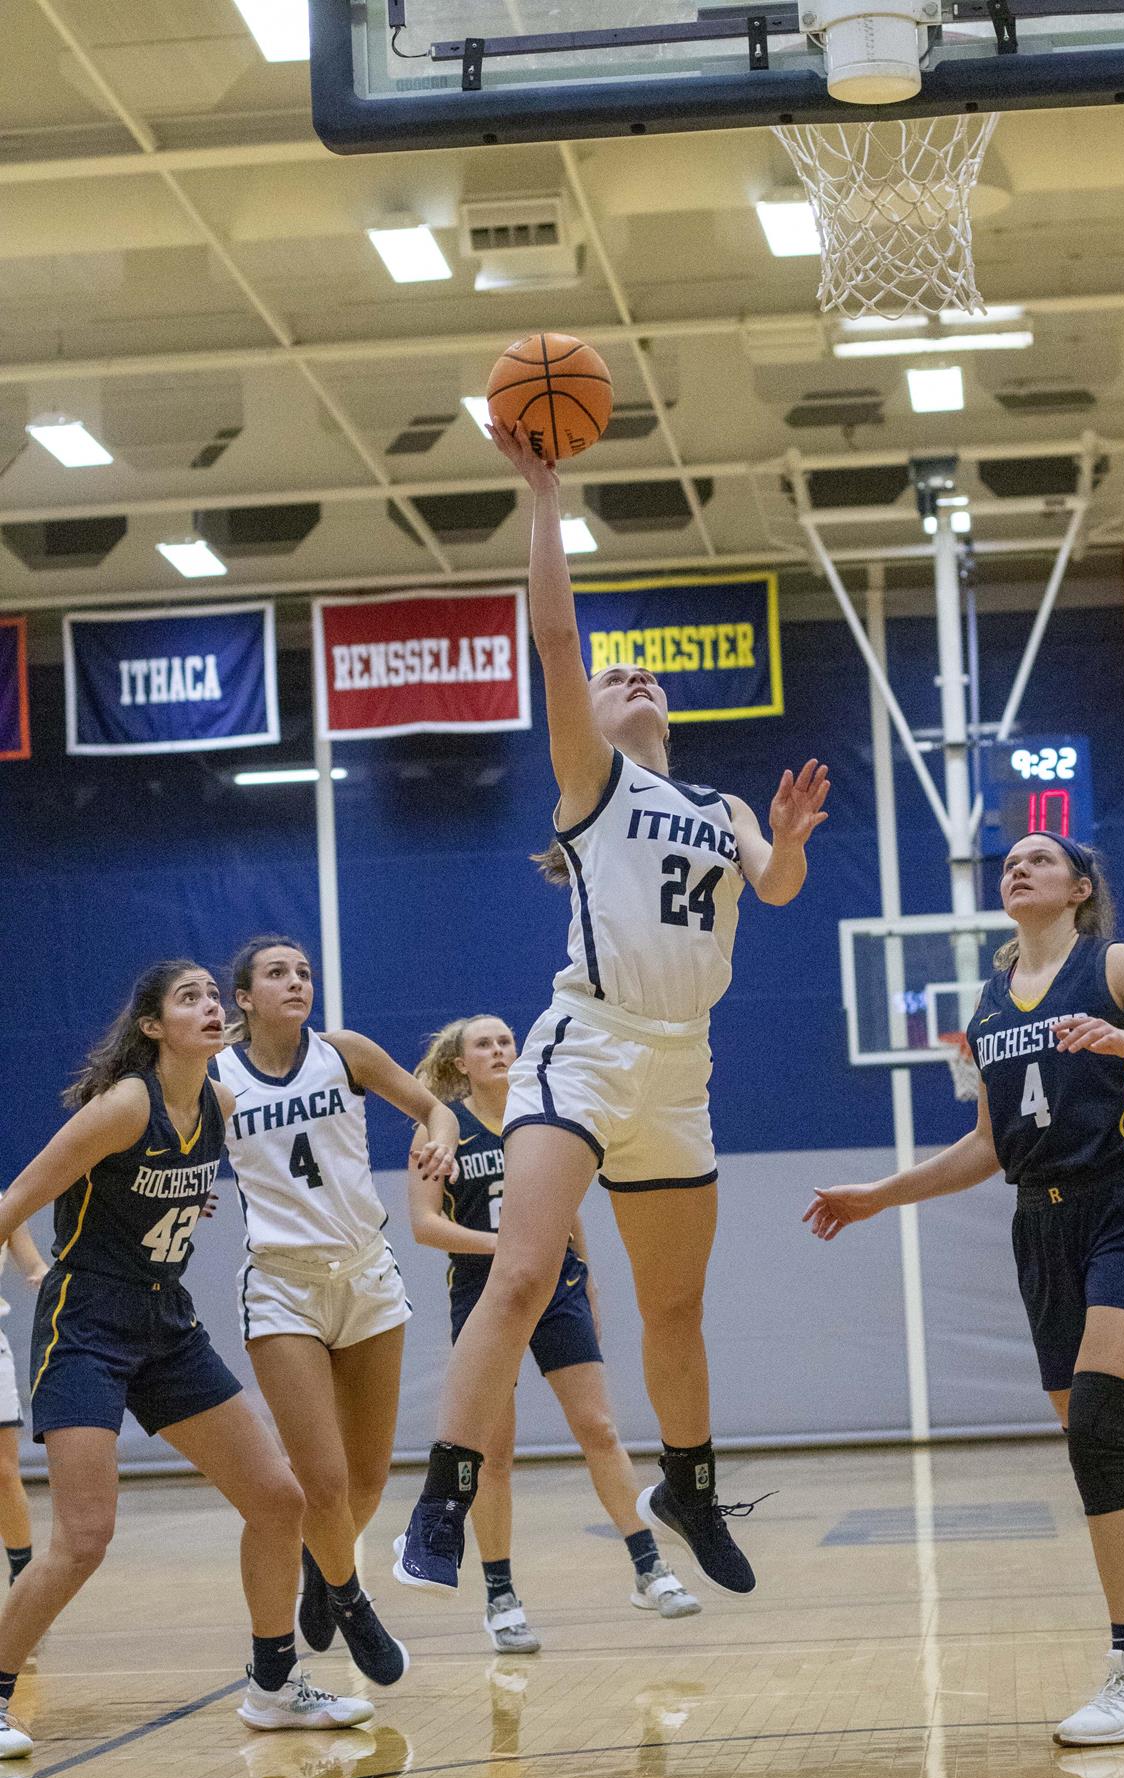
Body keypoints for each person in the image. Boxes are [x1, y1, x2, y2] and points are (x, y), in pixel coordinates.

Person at [395, 418, 829, 1599]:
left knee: (675, 1304)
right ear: (586, 713)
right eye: (611, 675)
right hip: (585, 1048)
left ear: (671, 713)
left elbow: (776, 889)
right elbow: (555, 634)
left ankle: (687, 1484)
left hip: (680, 1066)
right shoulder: (592, 778)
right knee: (523, 1272)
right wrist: (545, 499)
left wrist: (787, 841)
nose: (631, 677)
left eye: (647, 676)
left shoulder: (723, 804)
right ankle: (441, 1496)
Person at [805, 832, 1124, 1748]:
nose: (1018, 868)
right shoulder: (989, 1004)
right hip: (1040, 1228)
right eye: (1010, 863)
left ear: (1078, 887)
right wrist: (877, 1195)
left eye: (1039, 859)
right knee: (1103, 1448)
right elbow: (987, 1147)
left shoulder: (1113, 964)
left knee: (1099, 1433)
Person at [0, 960, 376, 1760]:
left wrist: (181, 1196)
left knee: (278, 1499)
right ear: (152, 1027)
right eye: (189, 998)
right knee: (84, 1537)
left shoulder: (219, 1102)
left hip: (166, 1322)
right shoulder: (123, 1105)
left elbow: (167, 1184)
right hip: (87, 1322)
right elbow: (14, 1203)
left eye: (212, 994)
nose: (209, 1007)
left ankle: (273, 1685)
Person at [406, 1013, 702, 1649]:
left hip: (559, 1286)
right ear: (460, 1063)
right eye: (484, 1044)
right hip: (484, 1292)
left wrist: (586, 1278)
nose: (499, 1050)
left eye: (506, 1041)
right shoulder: (440, 1130)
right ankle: (500, 1595)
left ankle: (649, 1568)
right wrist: (512, 1246)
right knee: (494, 1453)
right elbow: (425, 1225)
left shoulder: (537, 1120)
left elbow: (564, 1208)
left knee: (599, 1428)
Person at [215, 935, 458, 1686]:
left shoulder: (344, 1053)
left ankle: (321, 1567)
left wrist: (441, 1143)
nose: (296, 982)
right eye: (277, 974)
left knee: (367, 1479)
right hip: (282, 1287)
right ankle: (352, 1599)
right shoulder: (218, 1077)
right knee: (320, 1483)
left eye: (304, 972)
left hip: (366, 1277)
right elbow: (166, 1143)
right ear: (245, 998)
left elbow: (433, 1109)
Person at [0, 1213, 46, 1588]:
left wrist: (41, 1272)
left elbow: (31, 1259)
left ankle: (23, 1581)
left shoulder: (6, 1199)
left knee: (3, 1471)